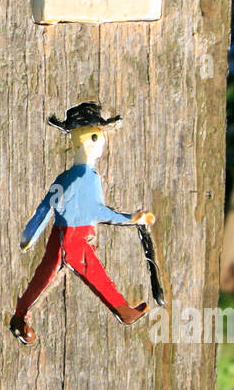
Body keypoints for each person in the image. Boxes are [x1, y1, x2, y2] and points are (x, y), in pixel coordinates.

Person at [10, 101, 155, 345]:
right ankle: (123, 311)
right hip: (75, 237)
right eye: (96, 137)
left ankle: (19, 317)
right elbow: (97, 211)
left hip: (60, 232)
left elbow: (46, 207)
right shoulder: (86, 178)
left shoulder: (65, 177)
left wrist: (29, 235)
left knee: (44, 276)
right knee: (95, 274)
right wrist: (132, 219)